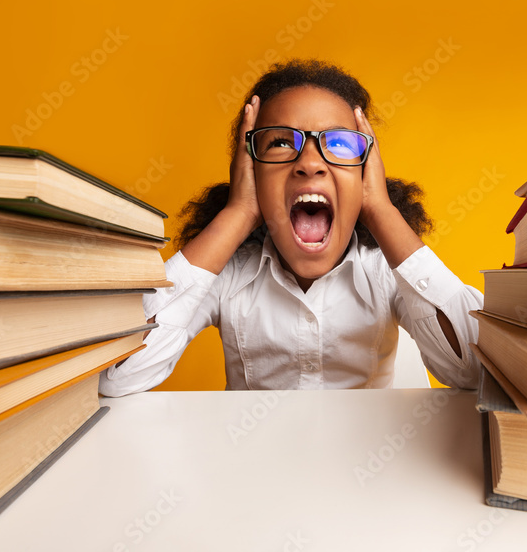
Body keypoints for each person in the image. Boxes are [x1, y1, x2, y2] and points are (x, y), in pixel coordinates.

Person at [99, 59, 482, 394]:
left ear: (366, 172)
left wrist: (380, 207)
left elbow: (476, 370)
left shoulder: (384, 270)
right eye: (280, 143)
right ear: (249, 170)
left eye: (340, 144)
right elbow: (117, 375)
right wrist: (239, 209)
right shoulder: (230, 272)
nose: (310, 163)